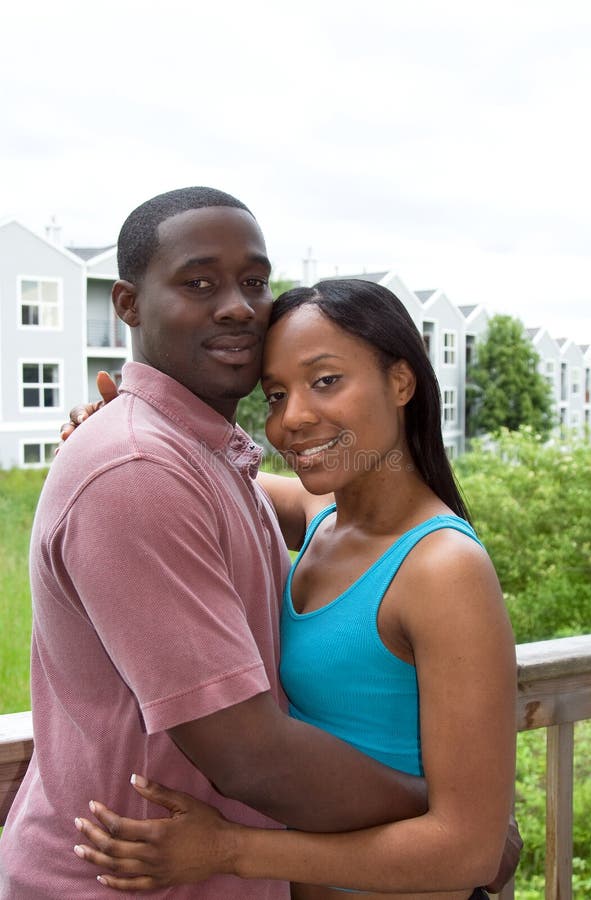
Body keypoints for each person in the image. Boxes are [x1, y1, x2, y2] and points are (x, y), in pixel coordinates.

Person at [0, 187, 518, 900]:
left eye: (253, 282)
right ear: (127, 304)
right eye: (276, 397)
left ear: (402, 380)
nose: (240, 305)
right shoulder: (156, 470)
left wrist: (467, 833)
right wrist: (116, 435)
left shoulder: (408, 551)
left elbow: (284, 491)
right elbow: (246, 753)